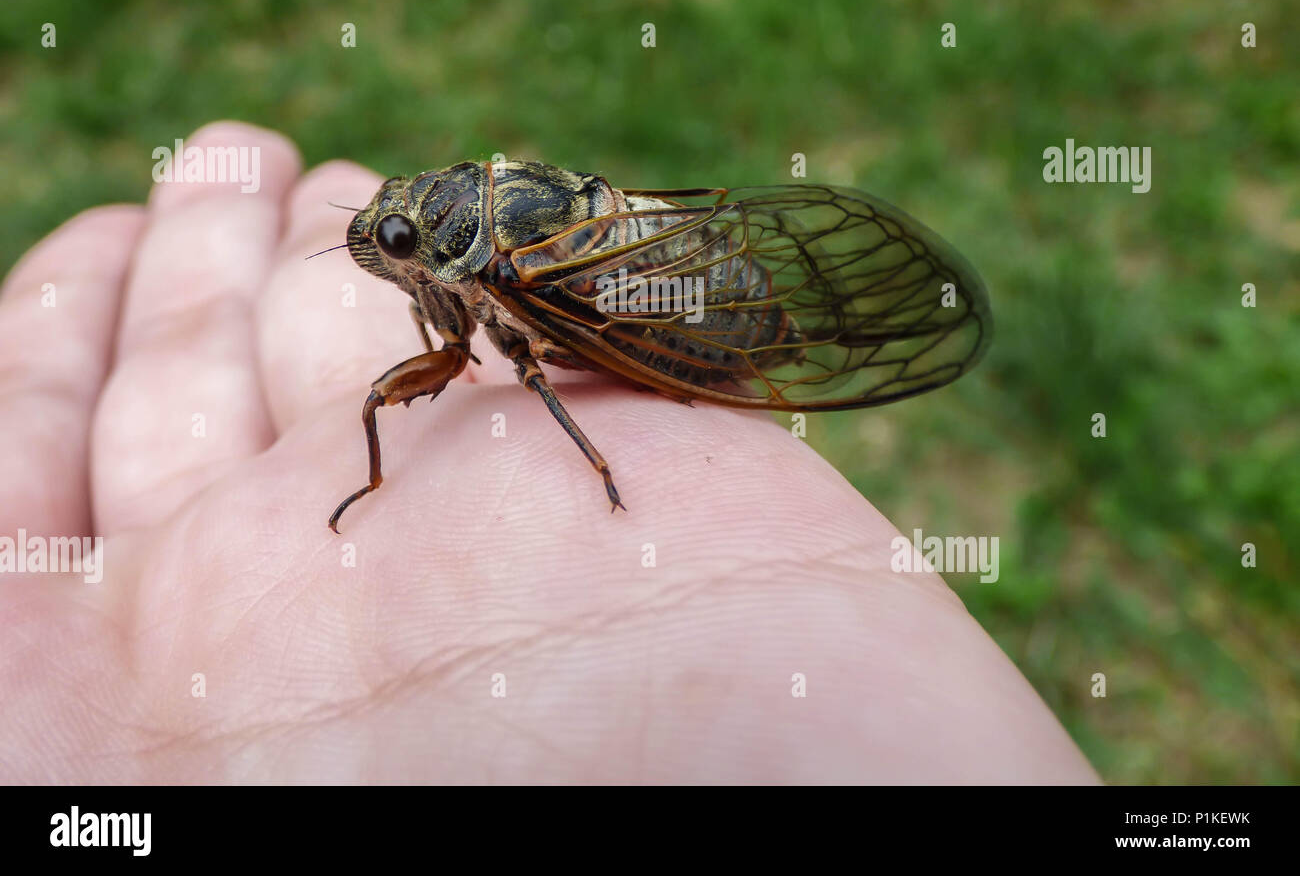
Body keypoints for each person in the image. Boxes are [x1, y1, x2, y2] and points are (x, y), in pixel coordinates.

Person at [0, 123, 1098, 784]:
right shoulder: (457, 254)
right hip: (638, 252)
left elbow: (521, 359)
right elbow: (452, 320)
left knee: (521, 363)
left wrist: (597, 465)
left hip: (665, 300)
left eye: (397, 247)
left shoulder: (511, 273)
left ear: (447, 240)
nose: (390, 265)